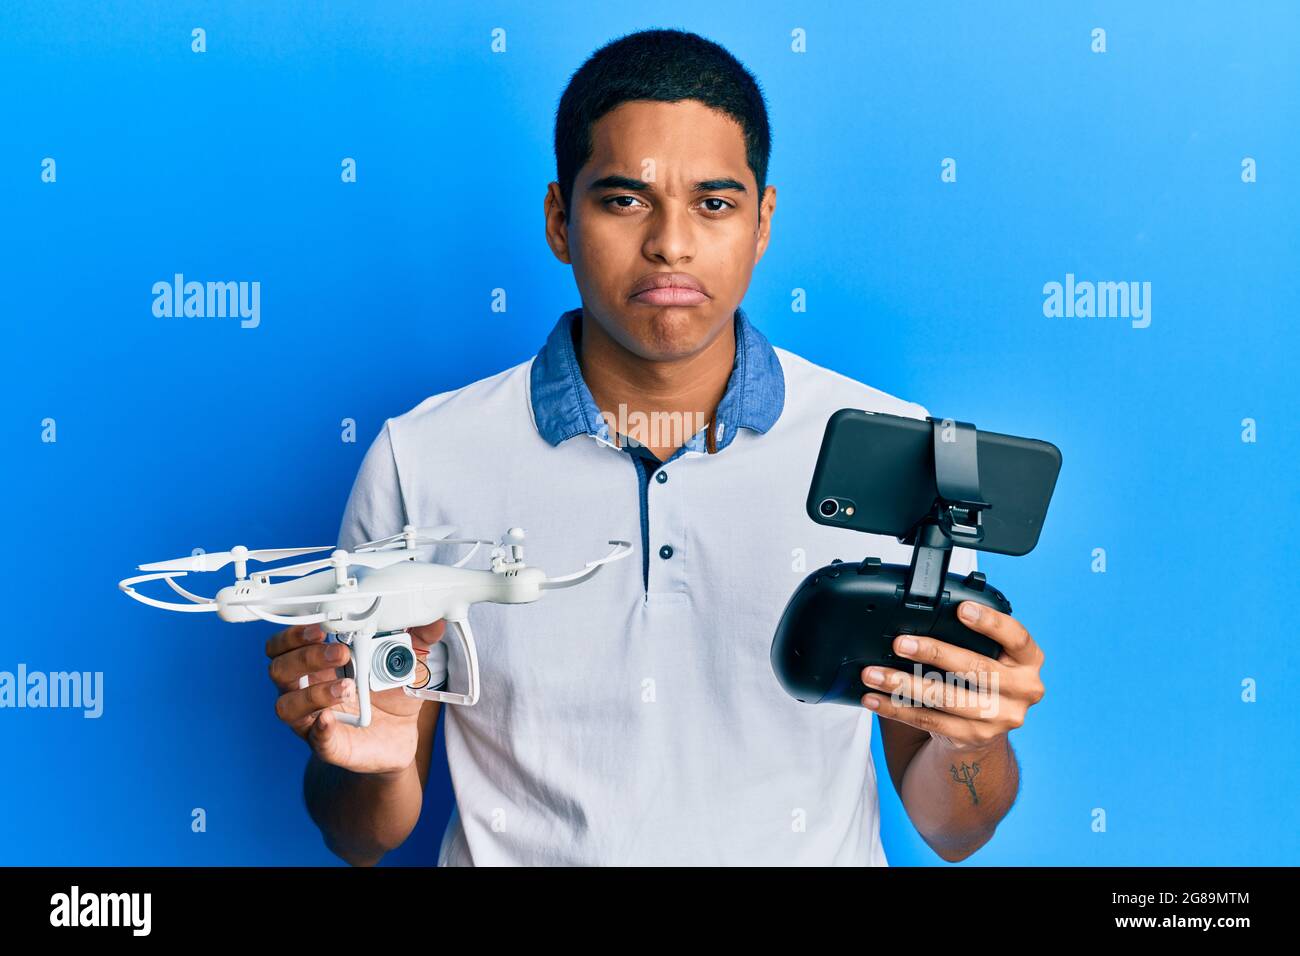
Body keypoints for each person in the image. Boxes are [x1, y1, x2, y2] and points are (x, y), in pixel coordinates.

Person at [265, 28, 1046, 866]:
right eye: (624, 200)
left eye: (714, 204)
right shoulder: (420, 459)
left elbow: (954, 829)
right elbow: (359, 837)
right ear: (560, 220)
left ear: (762, 222)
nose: (671, 243)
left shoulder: (892, 453)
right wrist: (367, 762)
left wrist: (972, 742)